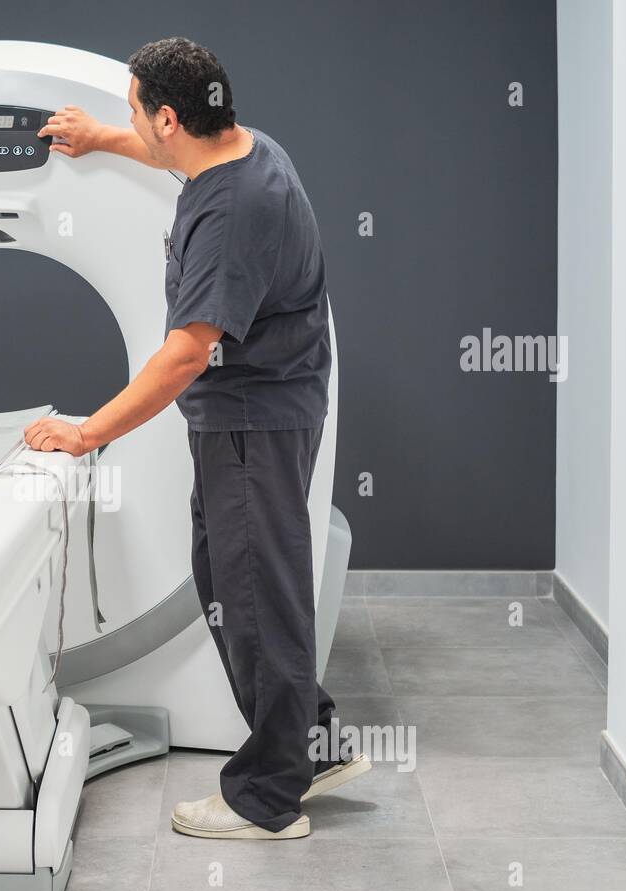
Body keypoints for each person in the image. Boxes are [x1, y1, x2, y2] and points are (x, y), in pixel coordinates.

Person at [23, 37, 369, 840]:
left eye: (136, 112)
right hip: (260, 411)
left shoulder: (234, 212)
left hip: (253, 422)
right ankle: (307, 743)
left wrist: (85, 435)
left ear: (170, 115)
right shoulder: (242, 152)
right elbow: (174, 160)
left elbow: (184, 354)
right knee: (238, 578)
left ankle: (268, 797)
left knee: (253, 598)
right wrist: (104, 137)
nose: (134, 124)